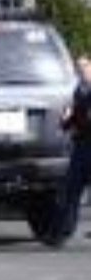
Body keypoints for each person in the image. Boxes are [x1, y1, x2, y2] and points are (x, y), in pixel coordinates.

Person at [46, 55, 91, 246]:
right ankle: (60, 234)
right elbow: (75, 116)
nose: (81, 70)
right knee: (70, 190)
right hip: (81, 146)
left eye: (84, 66)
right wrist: (65, 122)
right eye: (78, 67)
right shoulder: (79, 90)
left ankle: (59, 233)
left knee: (72, 190)